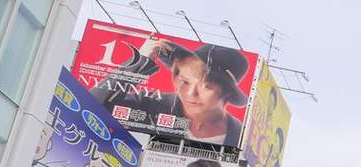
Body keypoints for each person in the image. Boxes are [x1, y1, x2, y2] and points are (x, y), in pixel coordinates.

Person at [93, 39, 251, 146]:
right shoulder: (153, 105)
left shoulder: (239, 137)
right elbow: (90, 108)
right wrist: (137, 65)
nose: (191, 93)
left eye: (206, 86)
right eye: (185, 81)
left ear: (227, 94)